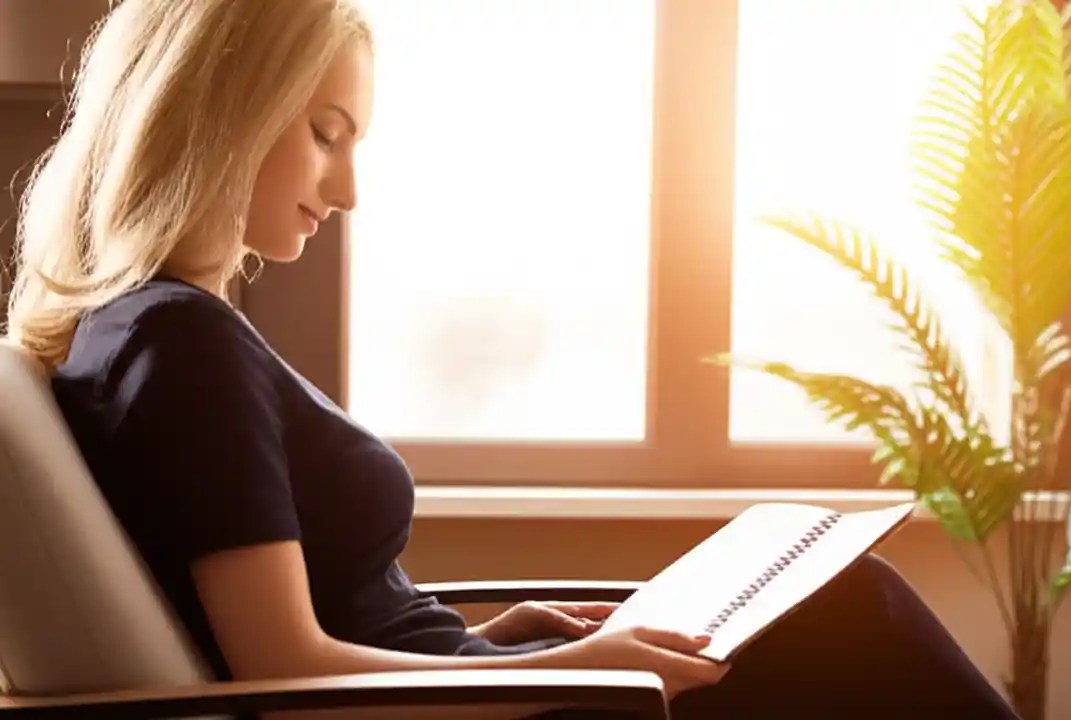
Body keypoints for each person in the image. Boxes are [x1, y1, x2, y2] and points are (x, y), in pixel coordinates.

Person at [2, 1, 1018, 718]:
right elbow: (291, 673)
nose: (346, 187)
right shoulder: (177, 345)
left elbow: (327, 628)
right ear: (223, 105)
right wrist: (570, 667)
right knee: (856, 611)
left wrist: (498, 636)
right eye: (325, 133)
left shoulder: (136, 332)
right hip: (511, 708)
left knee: (843, 609)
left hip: (486, 686)